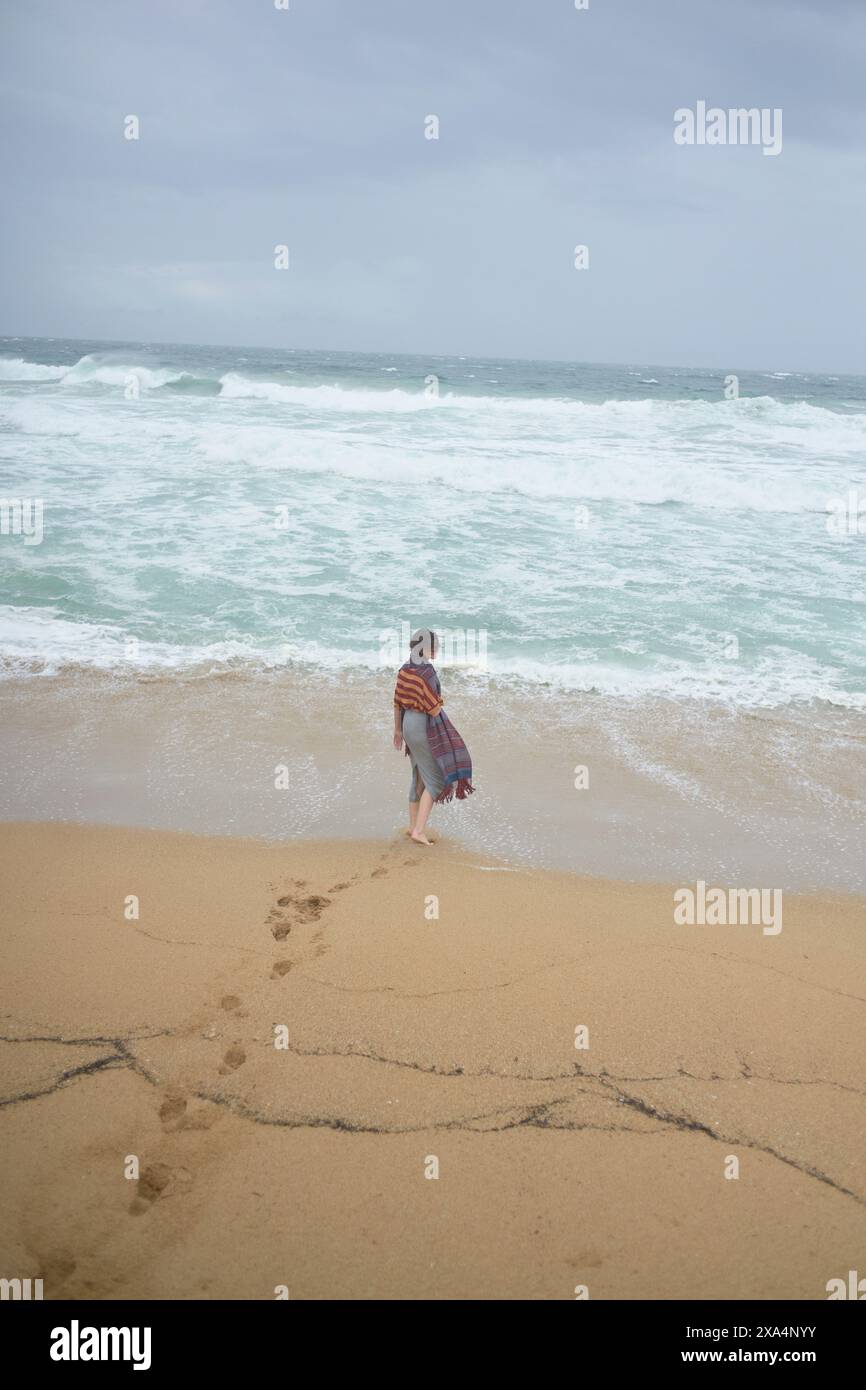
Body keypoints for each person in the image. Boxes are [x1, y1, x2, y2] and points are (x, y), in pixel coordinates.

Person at [392, 628, 474, 845]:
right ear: (426, 648)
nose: (437, 649)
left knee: (419, 775)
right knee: (436, 781)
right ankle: (419, 831)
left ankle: (413, 827)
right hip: (421, 725)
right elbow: (434, 708)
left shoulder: (405, 669)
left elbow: (397, 702)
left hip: (408, 724)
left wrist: (398, 731)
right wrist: (449, 733)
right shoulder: (426, 673)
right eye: (435, 646)